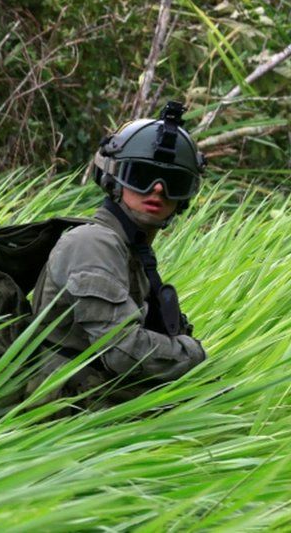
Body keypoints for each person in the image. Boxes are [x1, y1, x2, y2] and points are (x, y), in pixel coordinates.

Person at [29, 101, 207, 409]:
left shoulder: (128, 248)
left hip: (92, 397)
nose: (157, 191)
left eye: (173, 184)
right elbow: (123, 351)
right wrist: (192, 353)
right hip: (64, 413)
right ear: (114, 179)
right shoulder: (93, 243)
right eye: (141, 176)